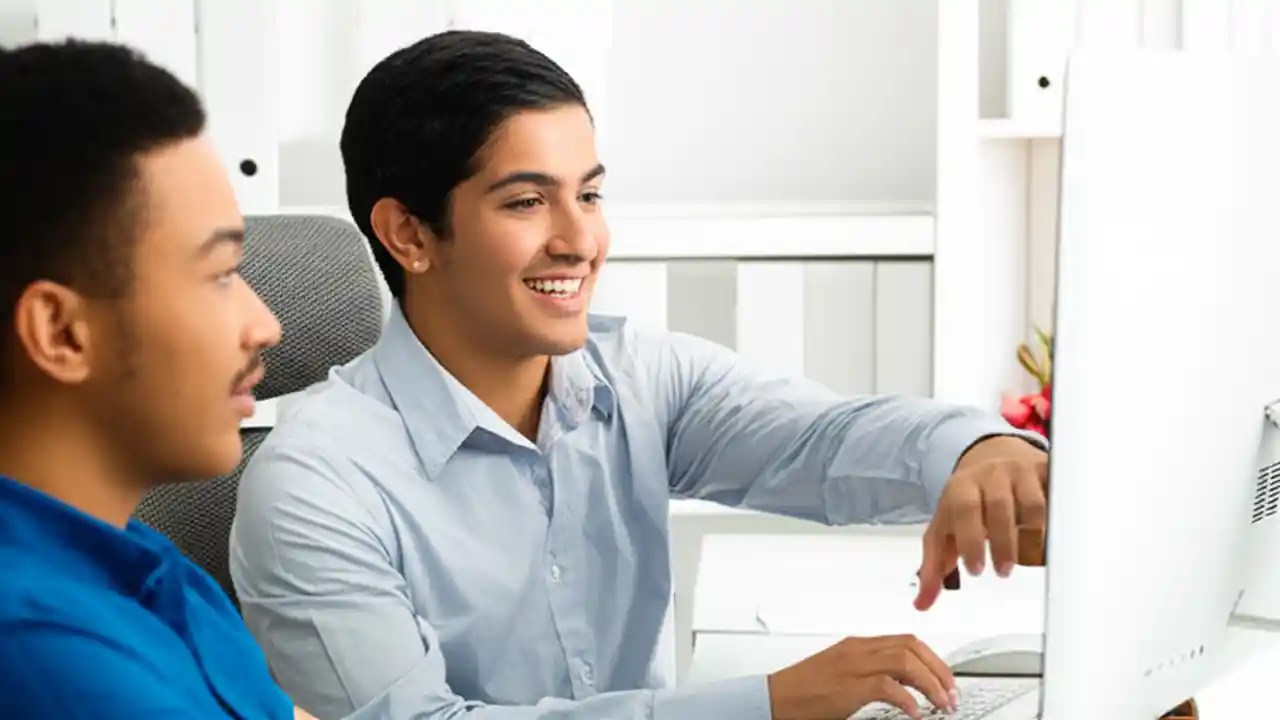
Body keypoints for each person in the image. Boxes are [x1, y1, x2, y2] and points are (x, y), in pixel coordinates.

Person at [229, 30, 1049, 720]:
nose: (580, 240)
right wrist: (766, 705)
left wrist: (975, 450)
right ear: (409, 234)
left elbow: (825, 440)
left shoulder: (639, 379)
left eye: (589, 195)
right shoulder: (315, 484)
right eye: (526, 203)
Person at [0, 40, 316, 720]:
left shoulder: (141, 563)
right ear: (61, 333)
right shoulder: (45, 659)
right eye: (221, 275)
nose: (265, 326)